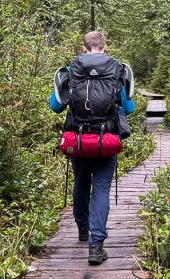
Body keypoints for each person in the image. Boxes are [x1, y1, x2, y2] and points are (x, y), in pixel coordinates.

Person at [49, 30, 135, 265]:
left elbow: (55, 105)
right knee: (101, 189)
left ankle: (82, 229)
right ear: (105, 47)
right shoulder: (118, 70)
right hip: (106, 140)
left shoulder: (71, 70)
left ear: (83, 48)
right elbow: (129, 108)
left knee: (81, 182)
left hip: (78, 141)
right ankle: (96, 247)